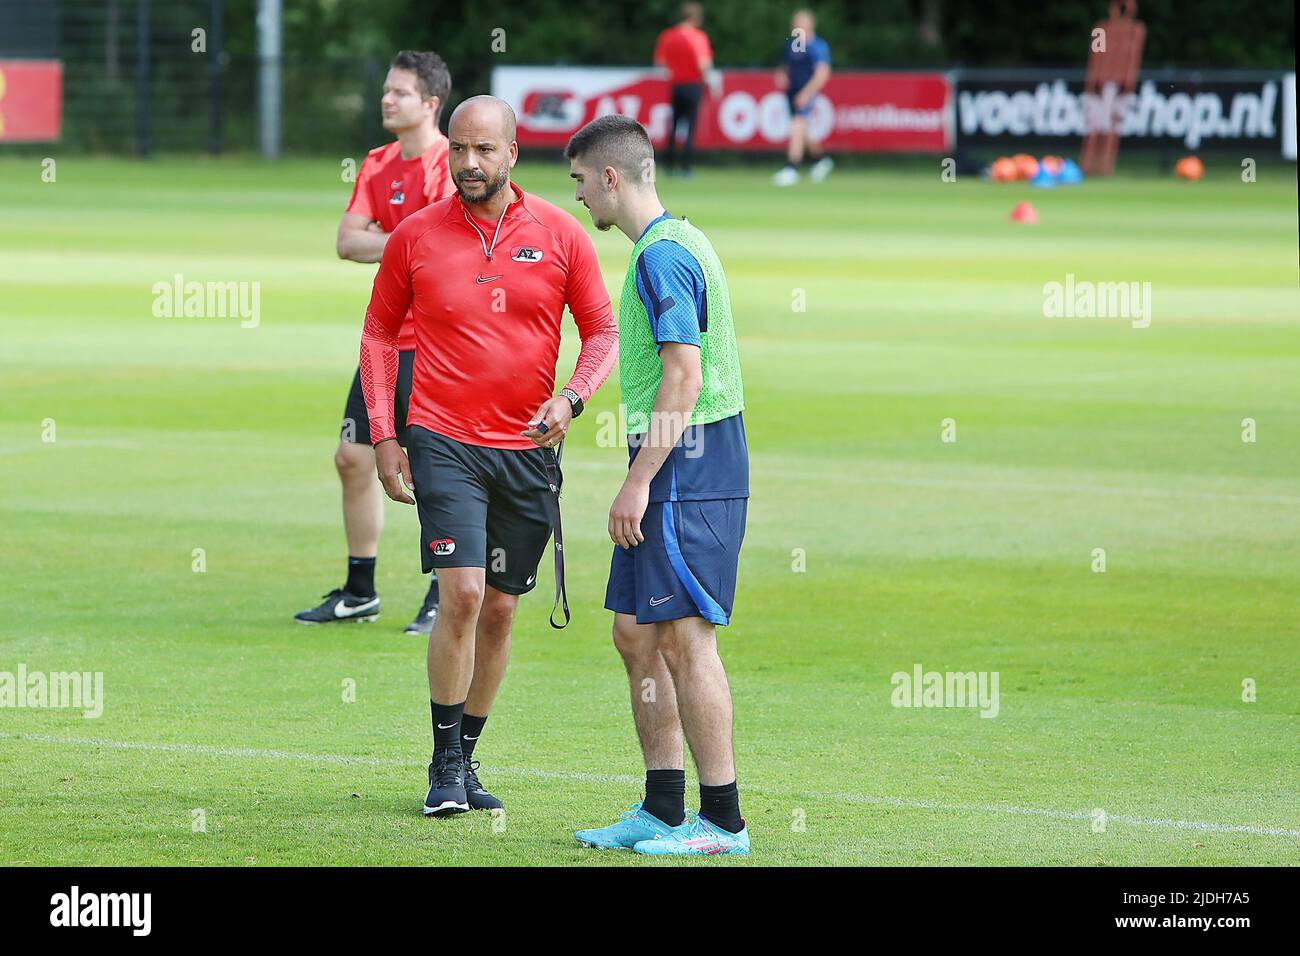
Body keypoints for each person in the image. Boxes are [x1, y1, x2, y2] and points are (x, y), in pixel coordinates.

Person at [359, 95, 618, 816]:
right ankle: (442, 764)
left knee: (501, 609)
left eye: (483, 150)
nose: (468, 164)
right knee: (463, 593)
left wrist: (572, 399)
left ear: (512, 153)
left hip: (527, 452)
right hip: (443, 442)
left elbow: (602, 331)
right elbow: (379, 336)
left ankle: (466, 760)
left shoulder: (563, 235)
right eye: (459, 150)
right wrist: (385, 434)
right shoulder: (413, 237)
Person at [564, 115, 751, 856]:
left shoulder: (662, 257)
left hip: (689, 463)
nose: (578, 197)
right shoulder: (672, 242)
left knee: (683, 638)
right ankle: (662, 807)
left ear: (611, 177)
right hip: (679, 455)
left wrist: (637, 482)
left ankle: (724, 823)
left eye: (580, 181)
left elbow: (685, 374)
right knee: (635, 633)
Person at [295, 51, 454, 635]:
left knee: (437, 468)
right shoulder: (378, 163)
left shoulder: (448, 164)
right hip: (383, 341)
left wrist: (385, 237)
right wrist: (405, 238)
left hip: (437, 344)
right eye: (386, 91)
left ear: (430, 103)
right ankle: (360, 589)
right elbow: (345, 241)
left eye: (401, 93)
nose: (387, 100)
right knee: (352, 457)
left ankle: (444, 588)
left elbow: (440, 247)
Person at [652, 2, 717, 177]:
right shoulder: (697, 37)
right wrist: (711, 83)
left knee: (673, 126)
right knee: (690, 127)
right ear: (695, 18)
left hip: (676, 85)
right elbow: (703, 64)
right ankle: (685, 168)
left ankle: (669, 167)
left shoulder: (668, 36)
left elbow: (660, 62)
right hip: (693, 85)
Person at [773, 9, 834, 186]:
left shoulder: (817, 46)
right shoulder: (792, 44)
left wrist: (807, 93)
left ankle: (791, 168)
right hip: (792, 92)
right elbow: (786, 65)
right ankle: (821, 160)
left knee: (797, 125)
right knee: (803, 130)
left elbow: (822, 72)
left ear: (809, 25)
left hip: (807, 92)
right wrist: (782, 74)